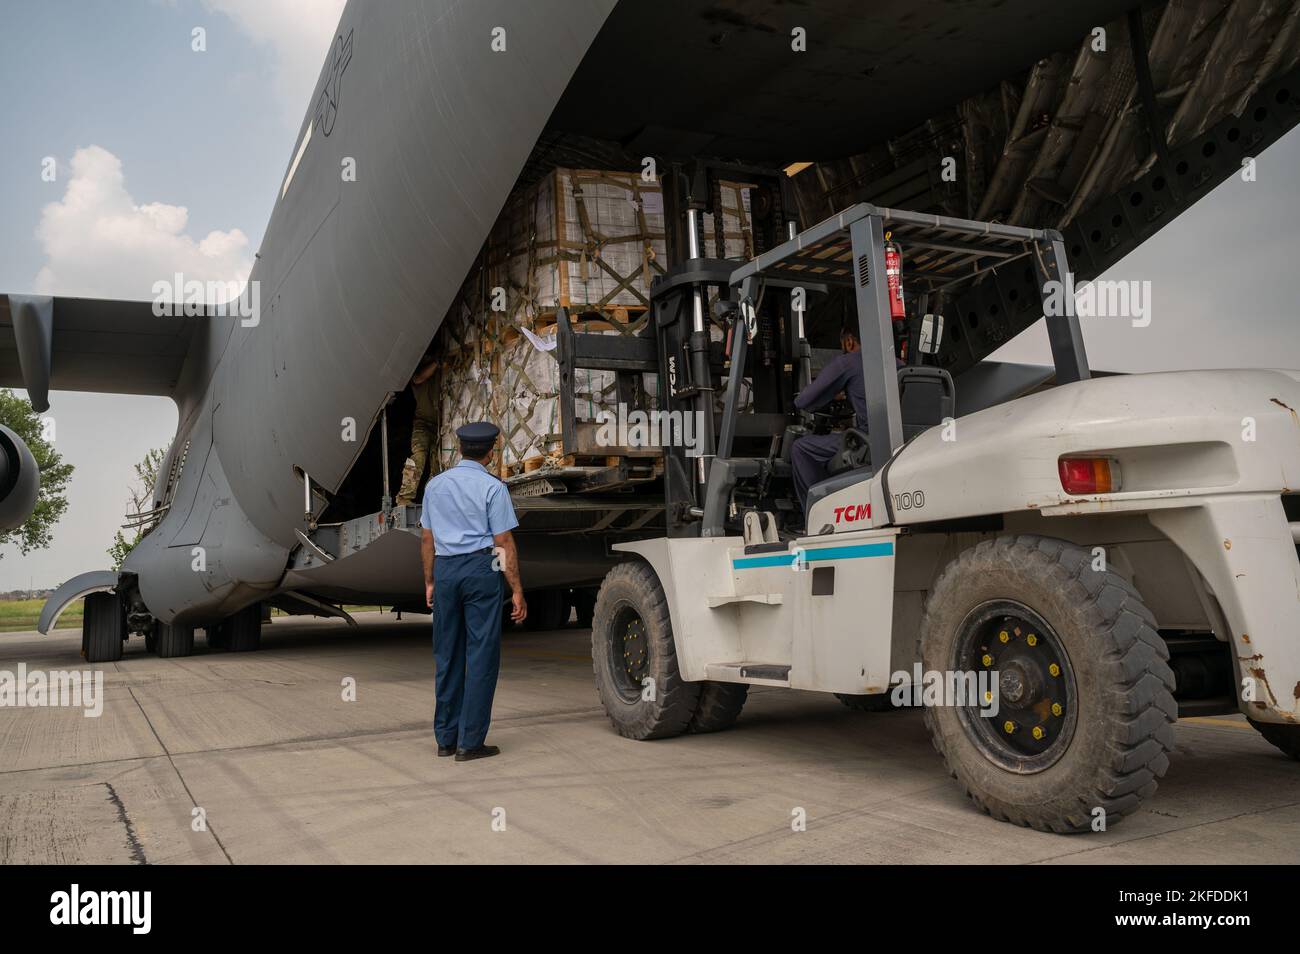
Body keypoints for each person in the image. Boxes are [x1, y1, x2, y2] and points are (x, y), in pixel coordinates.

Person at [421, 421, 527, 762]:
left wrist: (430, 581)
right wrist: (516, 590)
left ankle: (445, 739)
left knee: (447, 655)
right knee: (481, 654)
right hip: (483, 568)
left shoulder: (435, 486)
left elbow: (427, 539)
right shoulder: (493, 488)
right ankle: (470, 742)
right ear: (491, 451)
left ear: (460, 448)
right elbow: (502, 542)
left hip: (446, 569)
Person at [790, 325, 870, 518]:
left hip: (869, 440)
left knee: (801, 449)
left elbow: (804, 401)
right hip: (901, 440)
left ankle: (819, 515)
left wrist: (833, 394)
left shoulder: (848, 362)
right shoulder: (898, 362)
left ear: (849, 341)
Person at [396, 355, 438, 507]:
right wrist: (437, 361)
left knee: (436, 464)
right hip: (423, 424)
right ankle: (404, 496)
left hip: (440, 426)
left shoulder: (442, 377)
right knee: (418, 456)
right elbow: (419, 378)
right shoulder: (419, 377)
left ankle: (433, 498)